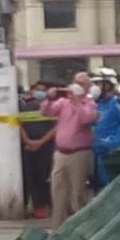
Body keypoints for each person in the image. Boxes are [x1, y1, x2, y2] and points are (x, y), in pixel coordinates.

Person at [42, 72, 98, 227]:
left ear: (87, 87)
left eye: (81, 83)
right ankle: (57, 229)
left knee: (78, 194)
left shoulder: (89, 104)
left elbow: (86, 119)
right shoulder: (63, 102)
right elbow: (46, 112)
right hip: (60, 153)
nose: (76, 86)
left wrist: (78, 101)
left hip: (79, 153)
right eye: (75, 82)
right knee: (57, 192)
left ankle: (81, 229)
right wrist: (49, 98)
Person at [20, 82, 56, 220]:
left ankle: (48, 204)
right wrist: (28, 141)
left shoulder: (52, 107)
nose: (40, 93)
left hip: (46, 146)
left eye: (43, 90)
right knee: (31, 178)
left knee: (44, 177)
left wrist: (41, 142)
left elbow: (56, 127)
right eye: (37, 90)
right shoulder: (25, 108)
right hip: (28, 146)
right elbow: (19, 125)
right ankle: (37, 206)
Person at [89, 69, 120, 188]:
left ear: (108, 84)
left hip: (110, 154)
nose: (95, 87)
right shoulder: (96, 104)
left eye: (98, 83)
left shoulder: (116, 104)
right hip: (95, 153)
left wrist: (112, 144)